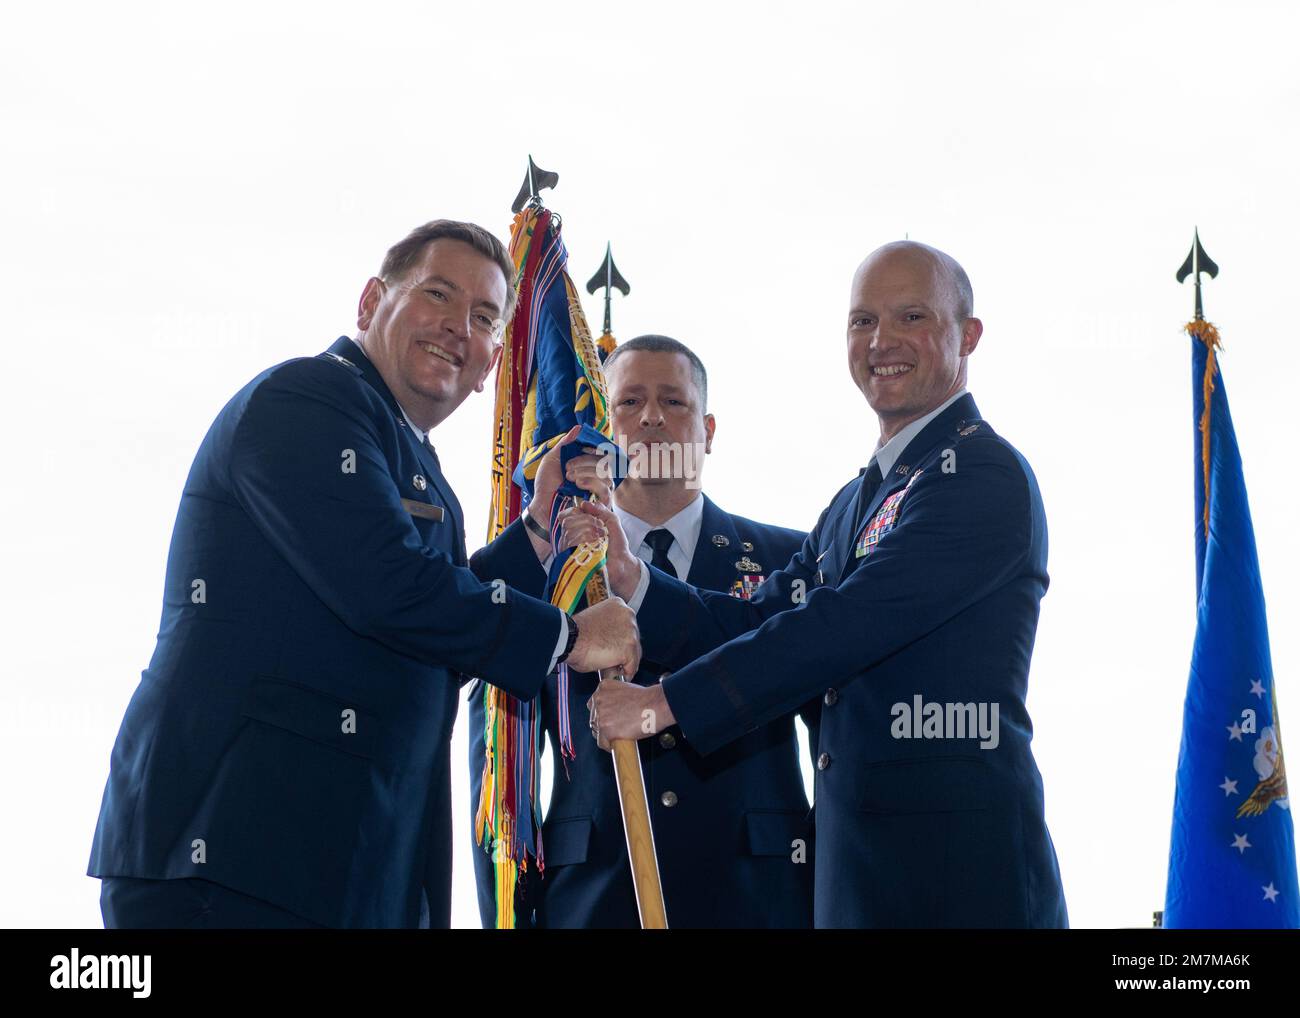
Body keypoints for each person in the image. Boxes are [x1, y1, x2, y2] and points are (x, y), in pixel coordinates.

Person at [87, 220, 640, 929]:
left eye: (481, 318)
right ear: (370, 301)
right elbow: (390, 590)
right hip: (232, 856)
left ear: (488, 366)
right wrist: (567, 636)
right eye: (437, 294)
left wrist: (537, 530)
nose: (456, 327)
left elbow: (426, 617)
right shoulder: (306, 400)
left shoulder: (413, 462)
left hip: (346, 868)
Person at [588, 241, 1069, 928]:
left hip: (960, 881)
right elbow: (761, 614)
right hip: (856, 881)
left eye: (911, 317)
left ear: (967, 336)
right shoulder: (853, 501)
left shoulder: (983, 476)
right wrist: (634, 581)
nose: (882, 342)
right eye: (862, 321)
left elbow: (844, 625)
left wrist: (664, 703)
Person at [468, 335, 817, 928]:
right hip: (593, 899)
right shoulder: (544, 569)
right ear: (604, 433)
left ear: (708, 430)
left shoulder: (787, 559)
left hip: (759, 894)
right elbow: (497, 766)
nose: (652, 416)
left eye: (673, 402)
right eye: (628, 402)